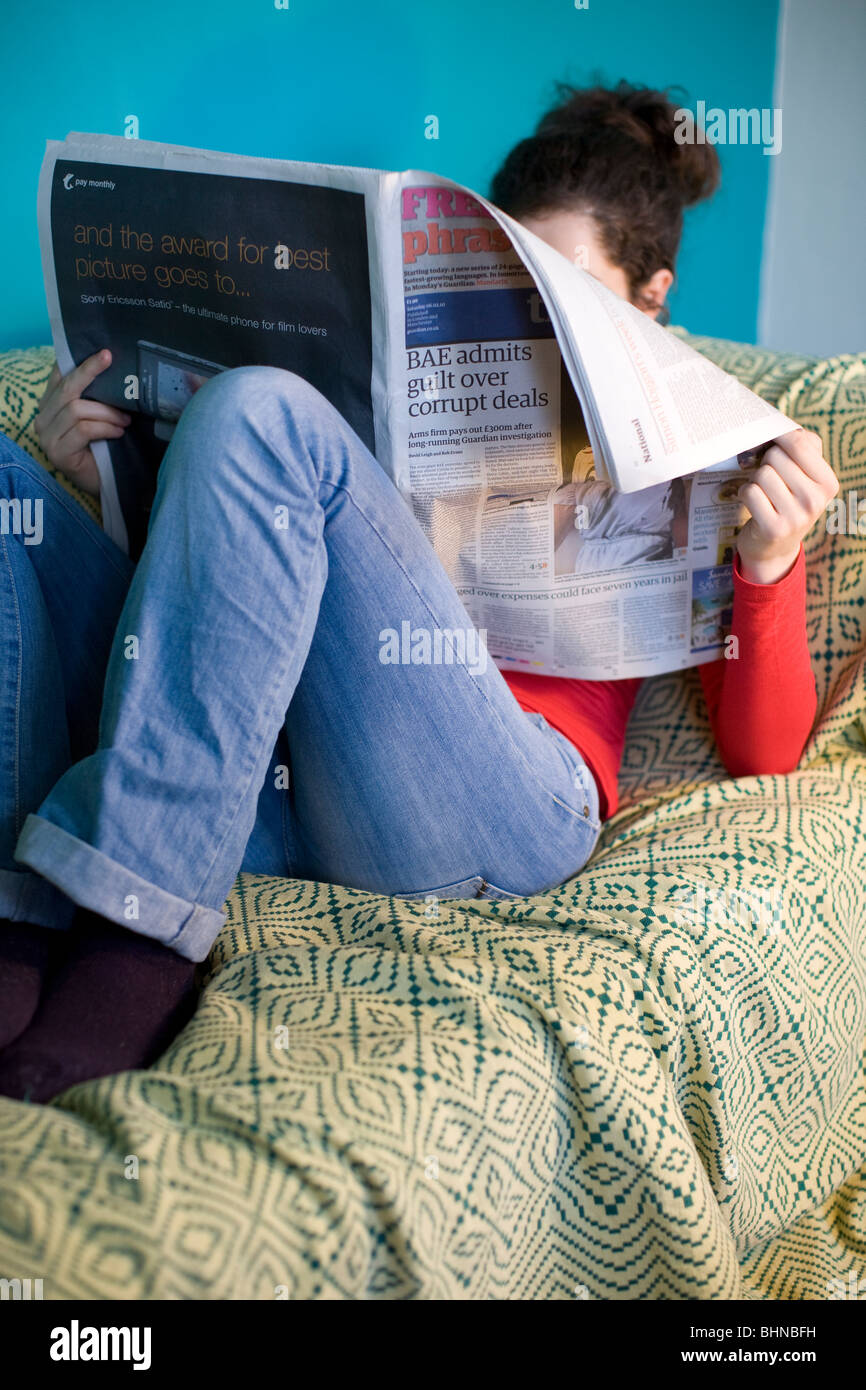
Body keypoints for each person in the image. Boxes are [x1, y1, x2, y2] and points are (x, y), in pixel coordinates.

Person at [0, 82, 837, 1101]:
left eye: (565, 294)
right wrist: (88, 492)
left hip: (501, 806)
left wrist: (766, 563)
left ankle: (130, 960)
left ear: (648, 295)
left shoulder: (703, 434)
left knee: (266, 411)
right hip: (288, 774)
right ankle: (21, 919)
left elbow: (767, 754)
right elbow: (205, 652)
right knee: (15, 490)